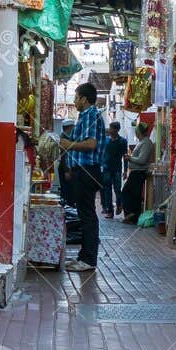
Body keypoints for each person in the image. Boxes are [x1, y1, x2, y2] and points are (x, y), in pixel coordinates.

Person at [59, 82, 108, 272]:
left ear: (84, 99)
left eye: (76, 97)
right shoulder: (85, 116)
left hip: (87, 170)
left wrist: (67, 145)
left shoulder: (90, 115)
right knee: (84, 213)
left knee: (87, 214)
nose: (74, 101)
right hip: (84, 169)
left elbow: (91, 144)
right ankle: (84, 256)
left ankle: (88, 259)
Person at [119, 118, 155, 223]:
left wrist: (130, 158)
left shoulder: (146, 143)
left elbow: (142, 160)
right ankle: (132, 215)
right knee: (133, 194)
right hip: (135, 171)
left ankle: (132, 214)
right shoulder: (142, 142)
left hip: (139, 172)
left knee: (128, 192)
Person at [102, 121, 128, 218]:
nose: (109, 130)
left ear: (116, 130)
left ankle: (119, 205)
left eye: (111, 128)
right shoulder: (106, 140)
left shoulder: (122, 141)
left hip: (117, 169)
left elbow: (125, 156)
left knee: (117, 189)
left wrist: (125, 170)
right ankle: (110, 211)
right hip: (106, 168)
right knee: (107, 190)